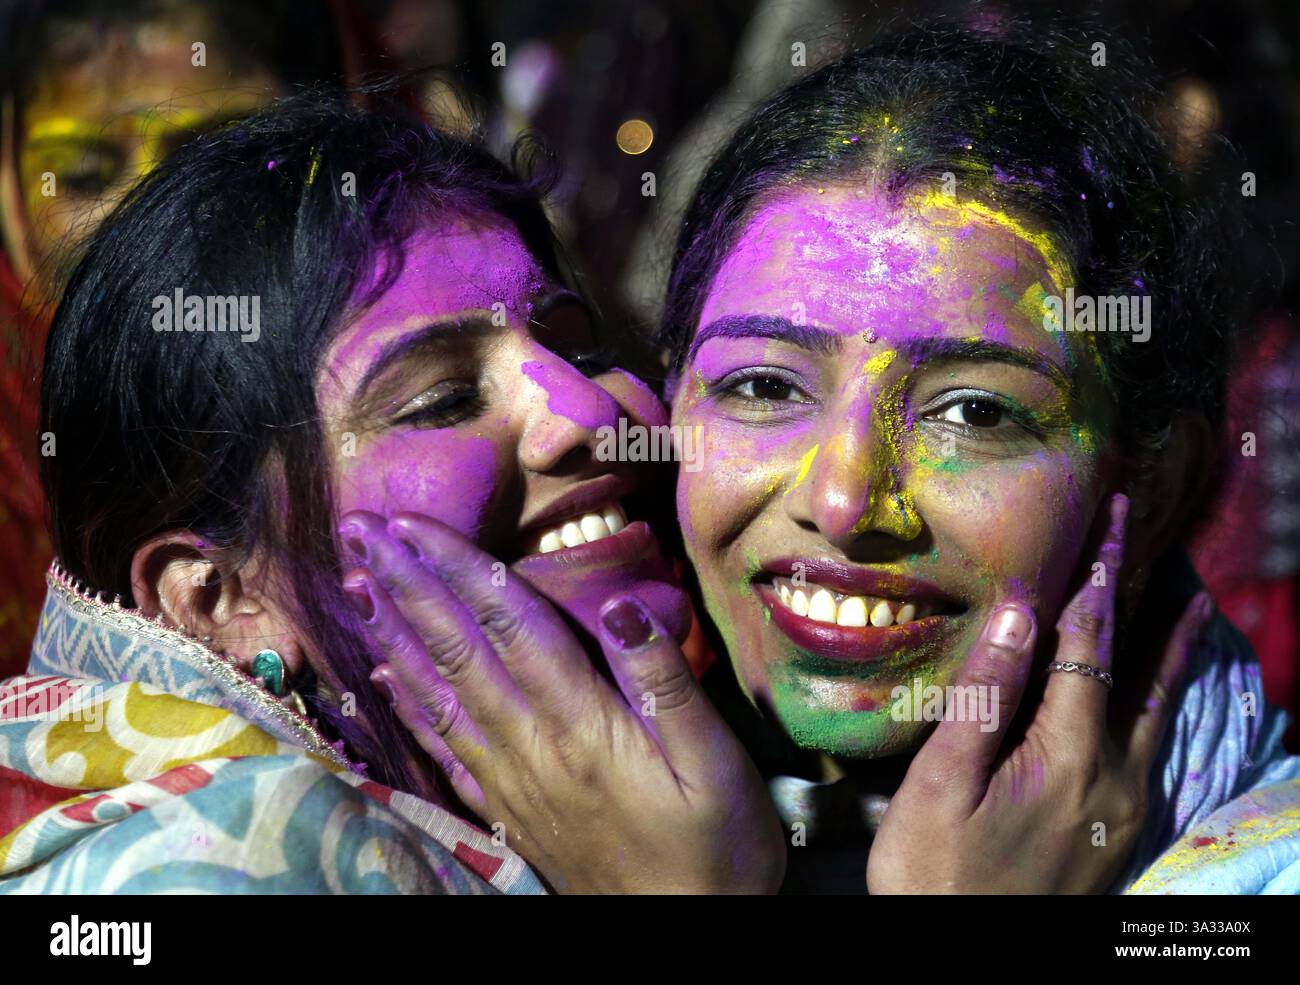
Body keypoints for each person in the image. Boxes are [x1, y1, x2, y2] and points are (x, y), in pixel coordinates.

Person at [366, 23, 1300, 893]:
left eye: (974, 411)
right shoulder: (481, 819)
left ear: (1154, 483)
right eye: (765, 388)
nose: (846, 500)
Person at [0, 94, 783, 893]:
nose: (587, 413)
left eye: (579, 352)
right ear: (217, 600)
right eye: (441, 399)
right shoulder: (214, 859)